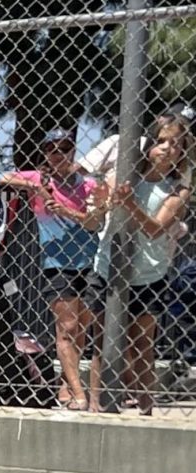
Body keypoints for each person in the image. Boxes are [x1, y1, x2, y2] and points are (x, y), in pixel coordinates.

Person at [0, 130, 102, 411]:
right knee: (66, 328)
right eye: (53, 149)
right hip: (56, 265)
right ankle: (79, 394)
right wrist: (33, 187)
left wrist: (67, 212)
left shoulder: (88, 185)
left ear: (73, 152)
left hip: (89, 264)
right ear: (45, 154)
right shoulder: (39, 179)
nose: (60, 154)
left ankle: (69, 382)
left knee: (81, 330)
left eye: (65, 148)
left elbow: (95, 224)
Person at [88, 130, 188, 416]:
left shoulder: (177, 190)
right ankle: (98, 405)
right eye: (161, 141)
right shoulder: (123, 177)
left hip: (148, 275)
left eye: (176, 144)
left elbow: (155, 228)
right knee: (102, 342)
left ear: (182, 154)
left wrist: (130, 204)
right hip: (108, 268)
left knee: (142, 344)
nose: (167, 148)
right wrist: (101, 201)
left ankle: (146, 407)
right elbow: (94, 220)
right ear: (148, 145)